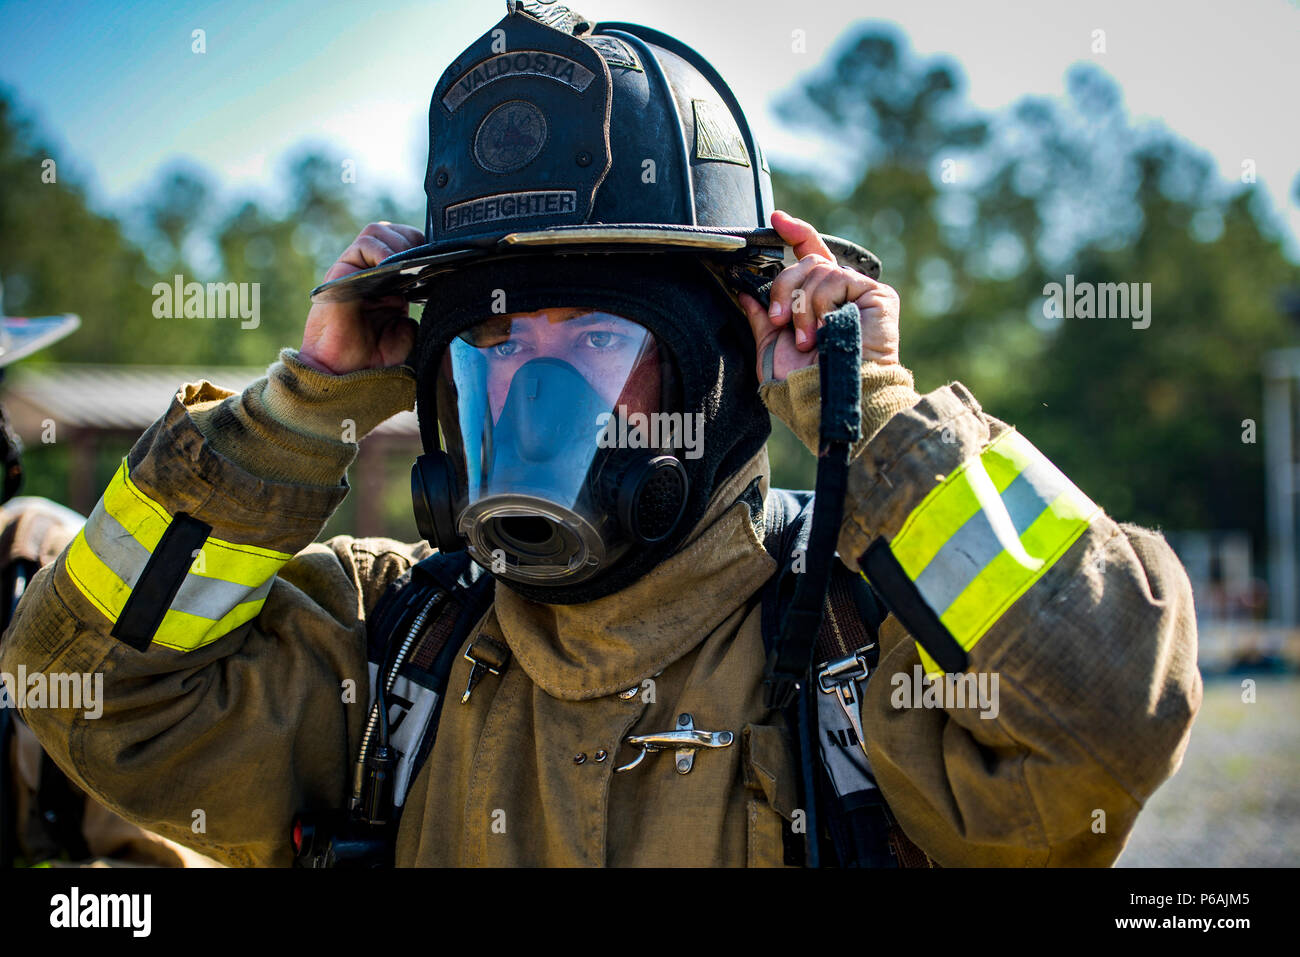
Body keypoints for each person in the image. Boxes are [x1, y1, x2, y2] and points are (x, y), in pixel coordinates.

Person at [0, 3, 1199, 867]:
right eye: (499, 355)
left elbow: (1106, 717)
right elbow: (91, 692)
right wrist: (301, 406)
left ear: (723, 369)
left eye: (593, 352)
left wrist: (870, 414)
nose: (536, 407)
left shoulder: (864, 653)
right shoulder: (387, 652)